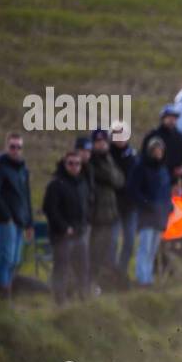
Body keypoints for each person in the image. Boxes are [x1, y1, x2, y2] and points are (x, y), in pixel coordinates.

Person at [0, 132, 33, 300]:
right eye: (12, 146)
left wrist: (29, 223)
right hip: (6, 221)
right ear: (6, 147)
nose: (15, 150)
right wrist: (7, 216)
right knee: (6, 259)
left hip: (20, 220)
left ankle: (8, 292)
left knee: (15, 260)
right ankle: (2, 296)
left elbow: (27, 196)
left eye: (19, 147)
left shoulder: (23, 169)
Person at [42, 149, 92, 304]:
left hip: (80, 232)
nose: (74, 167)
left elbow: (87, 204)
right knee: (61, 268)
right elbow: (49, 209)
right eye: (70, 163)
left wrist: (84, 223)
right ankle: (60, 301)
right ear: (64, 164)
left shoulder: (82, 183)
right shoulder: (56, 184)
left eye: (77, 164)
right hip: (62, 234)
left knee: (82, 268)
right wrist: (64, 227)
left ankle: (84, 297)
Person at [127, 136, 172, 286]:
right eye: (155, 149)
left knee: (153, 249)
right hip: (146, 215)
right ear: (150, 151)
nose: (158, 152)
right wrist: (146, 203)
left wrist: (168, 206)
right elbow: (133, 190)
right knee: (144, 248)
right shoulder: (141, 167)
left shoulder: (164, 169)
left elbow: (166, 192)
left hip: (160, 216)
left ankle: (148, 278)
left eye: (160, 150)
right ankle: (142, 278)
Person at [86, 128, 126, 288]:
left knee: (108, 253)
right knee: (94, 254)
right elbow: (111, 177)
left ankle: (105, 285)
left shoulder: (109, 159)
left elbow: (120, 180)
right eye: (98, 142)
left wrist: (111, 176)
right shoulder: (92, 161)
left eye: (104, 142)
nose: (101, 145)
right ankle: (90, 285)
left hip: (111, 215)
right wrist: (111, 176)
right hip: (96, 217)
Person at [109, 123, 138, 279]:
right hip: (114, 206)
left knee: (130, 242)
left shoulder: (133, 155)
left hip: (130, 206)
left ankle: (121, 271)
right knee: (113, 242)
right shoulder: (108, 155)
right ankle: (111, 273)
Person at [143, 104, 182, 179]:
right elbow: (143, 156)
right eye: (169, 117)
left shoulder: (180, 137)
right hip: (155, 177)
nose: (172, 120)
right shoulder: (153, 135)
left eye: (174, 118)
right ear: (163, 118)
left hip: (175, 179)